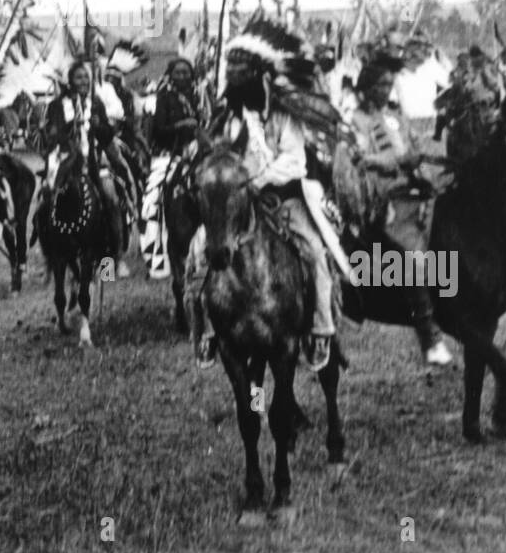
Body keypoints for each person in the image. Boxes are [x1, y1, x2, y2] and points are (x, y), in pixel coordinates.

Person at [195, 31, 340, 375]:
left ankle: (321, 328)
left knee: (316, 253)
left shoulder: (283, 115)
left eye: (238, 68)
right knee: (198, 255)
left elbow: (294, 160)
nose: (231, 74)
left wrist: (257, 181)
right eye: (229, 68)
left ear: (257, 74)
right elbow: (216, 153)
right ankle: (210, 331)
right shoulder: (227, 116)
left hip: (284, 199)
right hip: (233, 201)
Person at [347, 53, 453, 368]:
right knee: (411, 255)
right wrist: (396, 161)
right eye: (379, 85)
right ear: (365, 88)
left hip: (413, 190)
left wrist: (420, 155)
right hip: (382, 198)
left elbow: (413, 145)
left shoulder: (396, 115)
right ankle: (429, 336)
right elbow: (361, 159)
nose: (385, 90)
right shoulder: (357, 121)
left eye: (388, 84)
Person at [41, 59, 128, 277]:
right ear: (70, 81)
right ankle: (50, 255)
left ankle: (114, 258)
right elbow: (51, 136)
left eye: (86, 78)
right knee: (45, 201)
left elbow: (107, 136)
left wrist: (99, 126)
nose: (84, 81)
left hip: (93, 164)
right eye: (79, 77)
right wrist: (71, 128)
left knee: (111, 200)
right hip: (65, 165)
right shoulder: (56, 106)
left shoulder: (95, 103)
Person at [141, 57, 202, 279]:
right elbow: (158, 130)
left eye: (186, 72)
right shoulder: (164, 98)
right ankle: (156, 250)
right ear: (170, 75)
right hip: (169, 154)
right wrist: (181, 125)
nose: (183, 76)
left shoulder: (200, 96)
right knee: (151, 200)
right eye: (178, 72)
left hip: (197, 152)